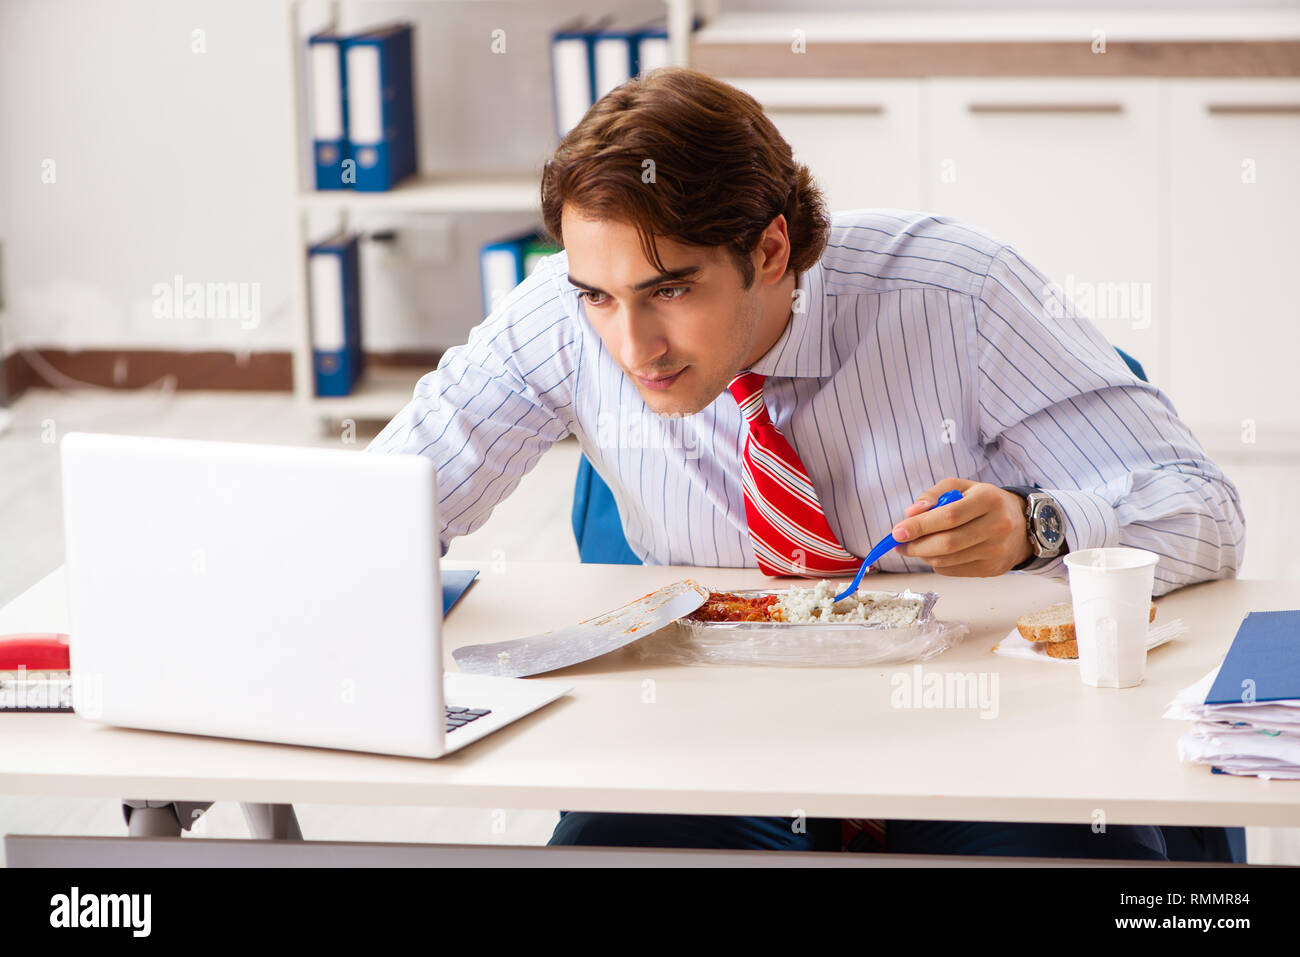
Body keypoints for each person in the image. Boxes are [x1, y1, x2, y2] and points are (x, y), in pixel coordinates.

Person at [368, 67, 1246, 861]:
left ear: (771, 250)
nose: (632, 345)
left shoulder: (959, 294)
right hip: (708, 750)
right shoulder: (560, 320)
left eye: (670, 289)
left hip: (978, 740)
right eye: (599, 296)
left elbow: (1207, 512)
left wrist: (1036, 525)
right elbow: (377, 513)